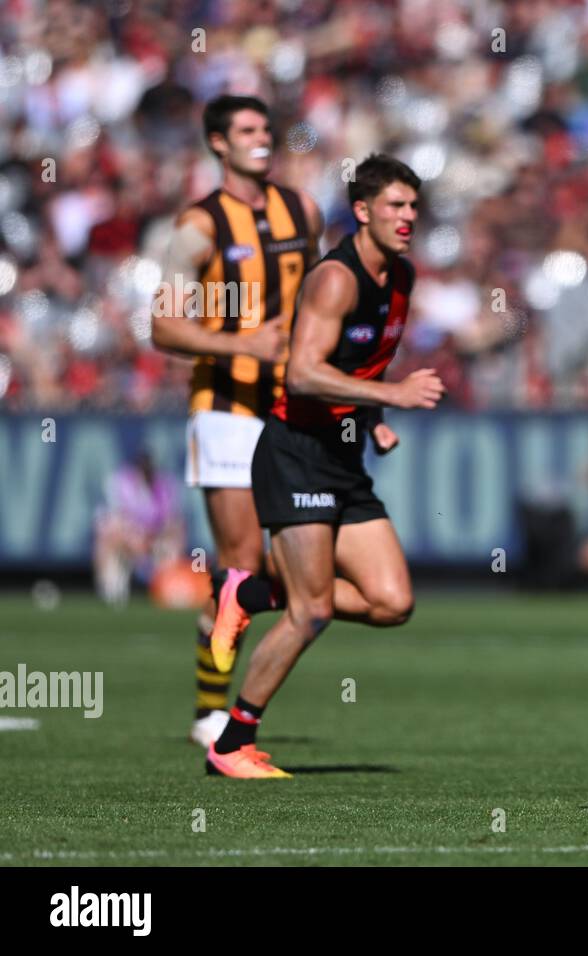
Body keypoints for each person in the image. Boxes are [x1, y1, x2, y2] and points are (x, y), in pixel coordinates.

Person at [205, 154, 444, 778]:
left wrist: (373, 418)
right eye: (395, 206)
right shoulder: (335, 278)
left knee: (392, 602)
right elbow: (303, 373)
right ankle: (231, 743)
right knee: (310, 611)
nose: (407, 217)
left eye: (413, 206)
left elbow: (362, 365)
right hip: (295, 455)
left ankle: (249, 590)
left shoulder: (402, 276)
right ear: (362, 212)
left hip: (342, 456)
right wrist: (391, 398)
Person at [150, 95, 323, 747]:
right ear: (218, 144)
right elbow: (163, 324)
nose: (262, 139)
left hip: (293, 407)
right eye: (247, 131)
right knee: (242, 565)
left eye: (266, 129)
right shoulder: (198, 225)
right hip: (226, 409)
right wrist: (238, 344)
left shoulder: (301, 210)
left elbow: (322, 297)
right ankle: (209, 710)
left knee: (304, 574)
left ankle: (226, 700)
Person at [93, 449, 184, 607]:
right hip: (128, 538)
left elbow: (173, 522)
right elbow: (111, 520)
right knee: (107, 539)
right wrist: (133, 537)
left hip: (155, 539)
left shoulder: (165, 486)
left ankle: (169, 588)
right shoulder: (120, 483)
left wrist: (152, 539)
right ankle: (111, 590)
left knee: (173, 542)